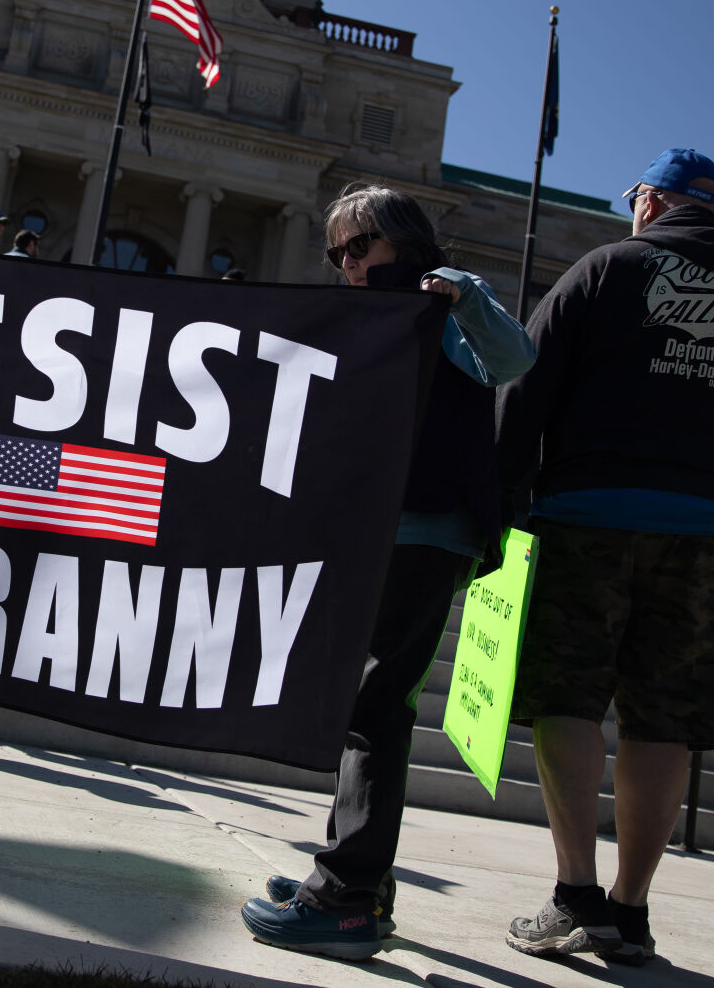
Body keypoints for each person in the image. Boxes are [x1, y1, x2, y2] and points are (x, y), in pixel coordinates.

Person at [495, 148, 714, 965]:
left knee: (566, 696)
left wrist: (502, 496)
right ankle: (629, 911)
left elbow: (523, 385)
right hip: (707, 531)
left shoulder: (605, 268)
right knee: (665, 715)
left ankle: (575, 894)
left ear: (654, 203)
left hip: (583, 514)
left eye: (635, 196)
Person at [238, 182, 536, 960]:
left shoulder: (438, 308)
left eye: (358, 247)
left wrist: (463, 293)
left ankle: (347, 894)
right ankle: (357, 875)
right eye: (337, 252)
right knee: (363, 701)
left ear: (401, 240)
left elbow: (514, 358)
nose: (347, 265)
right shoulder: (371, 315)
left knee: (376, 703)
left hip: (428, 528)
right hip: (376, 529)